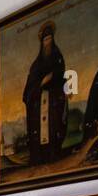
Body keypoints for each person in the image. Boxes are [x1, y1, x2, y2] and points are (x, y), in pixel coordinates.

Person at [22, 22, 67, 165]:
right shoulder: (36, 64)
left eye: (49, 39)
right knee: (39, 130)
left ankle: (54, 154)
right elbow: (30, 86)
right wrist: (41, 82)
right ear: (42, 43)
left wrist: (54, 80)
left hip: (53, 100)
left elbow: (61, 76)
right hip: (39, 102)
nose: (47, 42)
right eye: (45, 40)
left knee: (53, 127)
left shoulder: (58, 57)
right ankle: (39, 157)